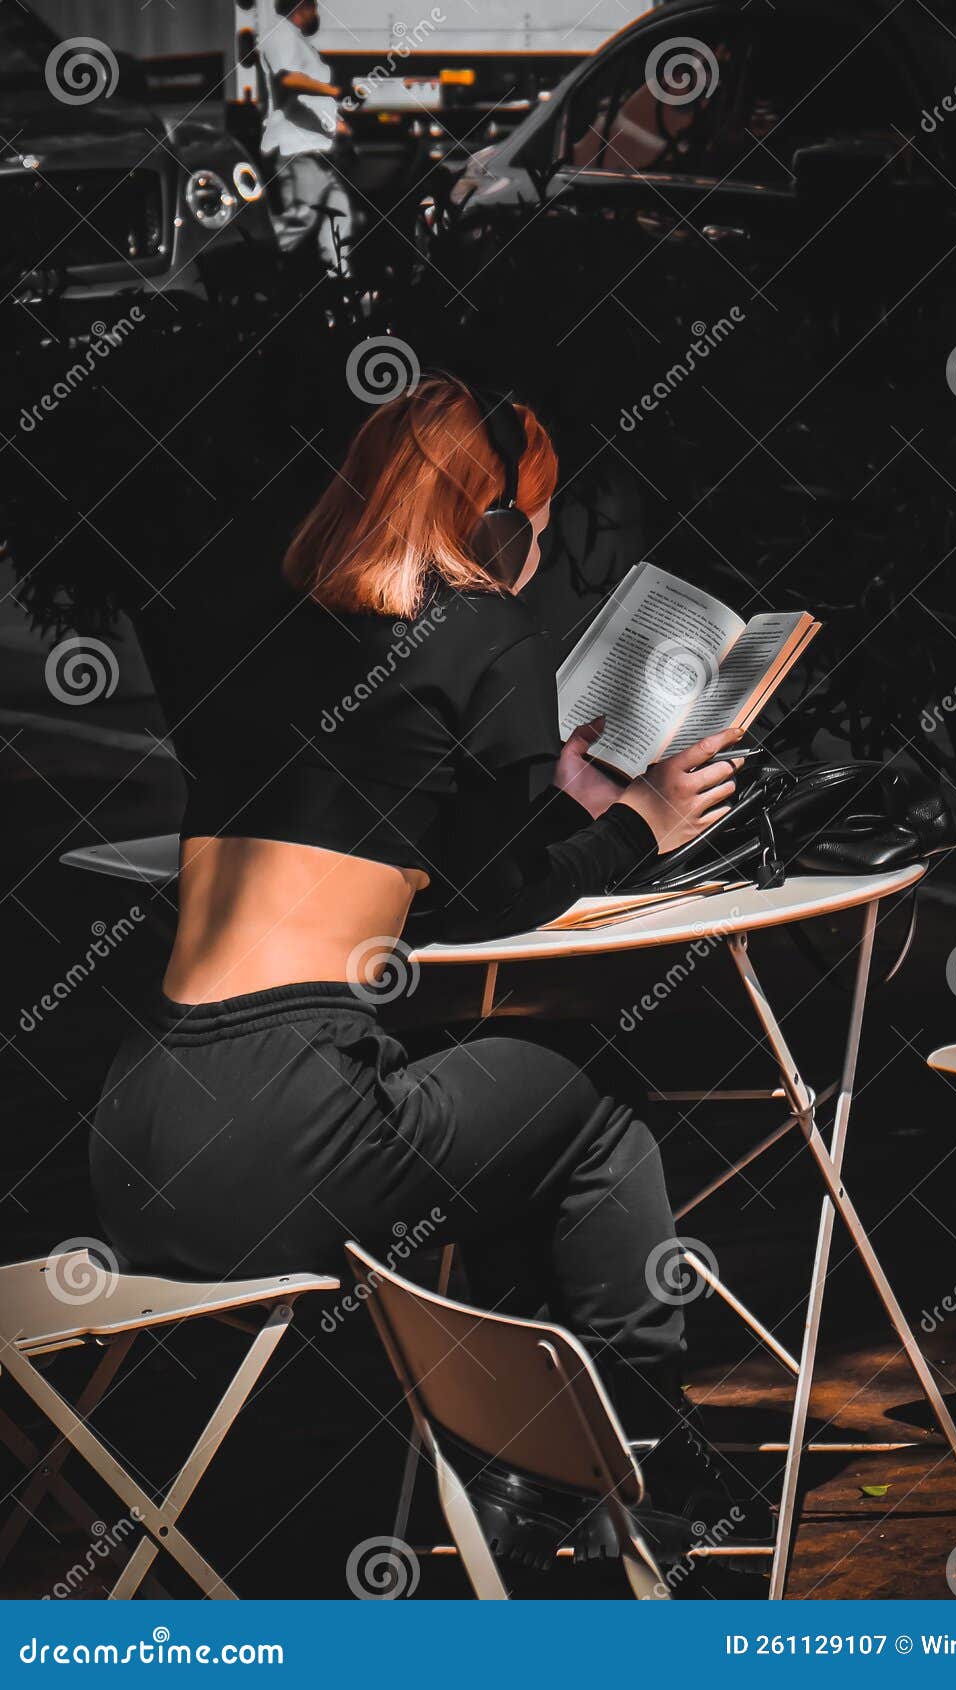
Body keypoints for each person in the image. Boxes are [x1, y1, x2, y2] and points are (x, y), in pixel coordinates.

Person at [89, 376, 754, 1567]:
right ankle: (625, 1458)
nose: (541, 550)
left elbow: (406, 843)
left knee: (502, 1108)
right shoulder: (481, 626)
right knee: (589, 1098)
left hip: (138, 1124)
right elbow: (495, 894)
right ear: (498, 523)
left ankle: (522, 1473)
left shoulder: (262, 618)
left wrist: (551, 805)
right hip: (284, 1120)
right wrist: (641, 824)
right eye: (537, 524)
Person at [257, 0, 353, 273]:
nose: (316, 14)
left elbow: (310, 100)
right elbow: (286, 79)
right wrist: (335, 91)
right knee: (299, 222)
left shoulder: (297, 41)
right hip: (296, 149)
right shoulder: (278, 33)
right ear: (302, 6)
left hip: (319, 152)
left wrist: (337, 127)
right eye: (314, 7)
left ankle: (341, 293)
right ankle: (254, 274)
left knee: (338, 224)